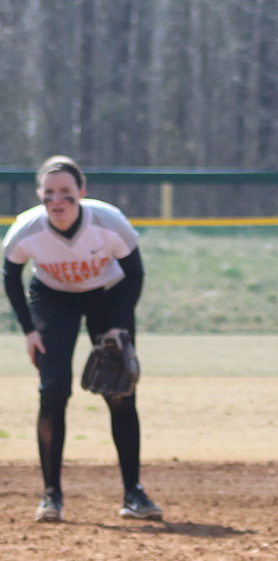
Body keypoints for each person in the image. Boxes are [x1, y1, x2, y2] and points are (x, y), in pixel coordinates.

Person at [2, 156, 162, 523]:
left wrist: (118, 326)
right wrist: (29, 330)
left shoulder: (108, 222)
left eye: (66, 192)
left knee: (120, 392)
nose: (57, 200)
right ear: (39, 195)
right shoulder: (26, 230)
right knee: (53, 391)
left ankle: (134, 493)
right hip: (52, 299)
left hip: (109, 297)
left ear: (82, 193)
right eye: (49, 192)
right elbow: (10, 275)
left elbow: (135, 274)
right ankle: (51, 496)